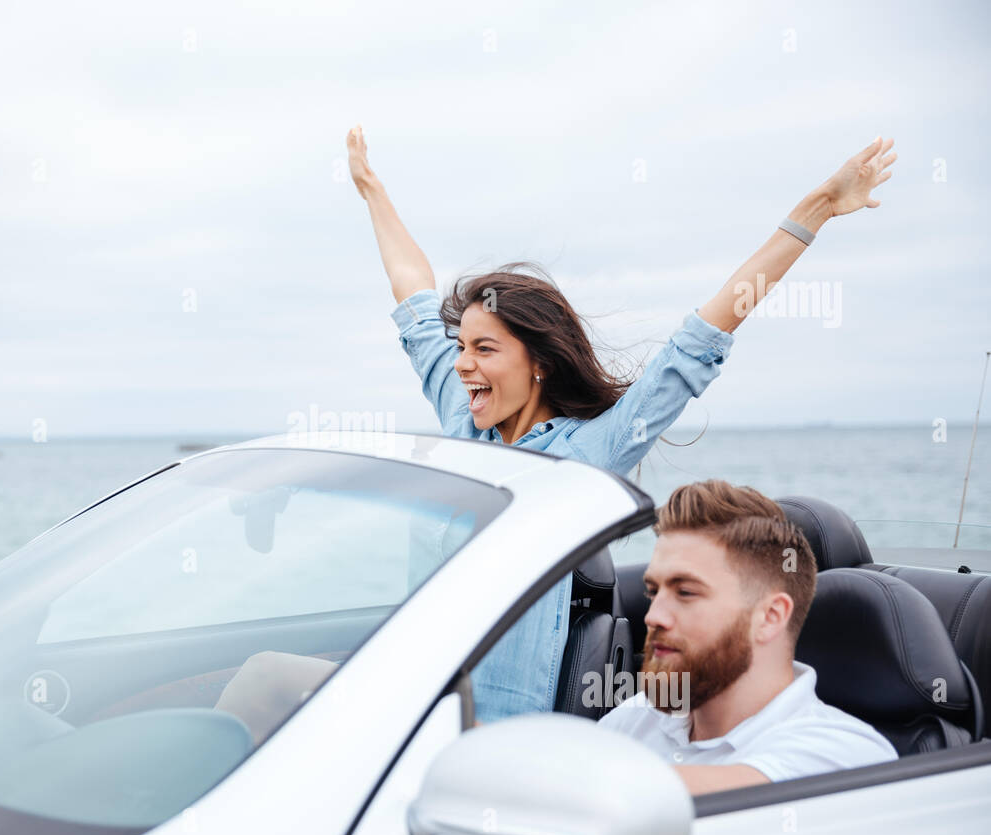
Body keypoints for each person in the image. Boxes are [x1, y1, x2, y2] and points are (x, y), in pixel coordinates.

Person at [346, 125, 896, 723]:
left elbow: (697, 343)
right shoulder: (462, 415)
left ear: (539, 364)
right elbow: (414, 296)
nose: (461, 363)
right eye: (461, 347)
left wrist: (812, 212)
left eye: (484, 349)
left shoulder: (582, 456)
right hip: (408, 693)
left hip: (487, 726)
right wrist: (372, 190)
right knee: (267, 680)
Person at [599, 479, 898, 795]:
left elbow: (630, 793)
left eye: (685, 592)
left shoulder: (847, 754)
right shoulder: (641, 716)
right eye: (653, 591)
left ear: (770, 617)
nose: (652, 616)